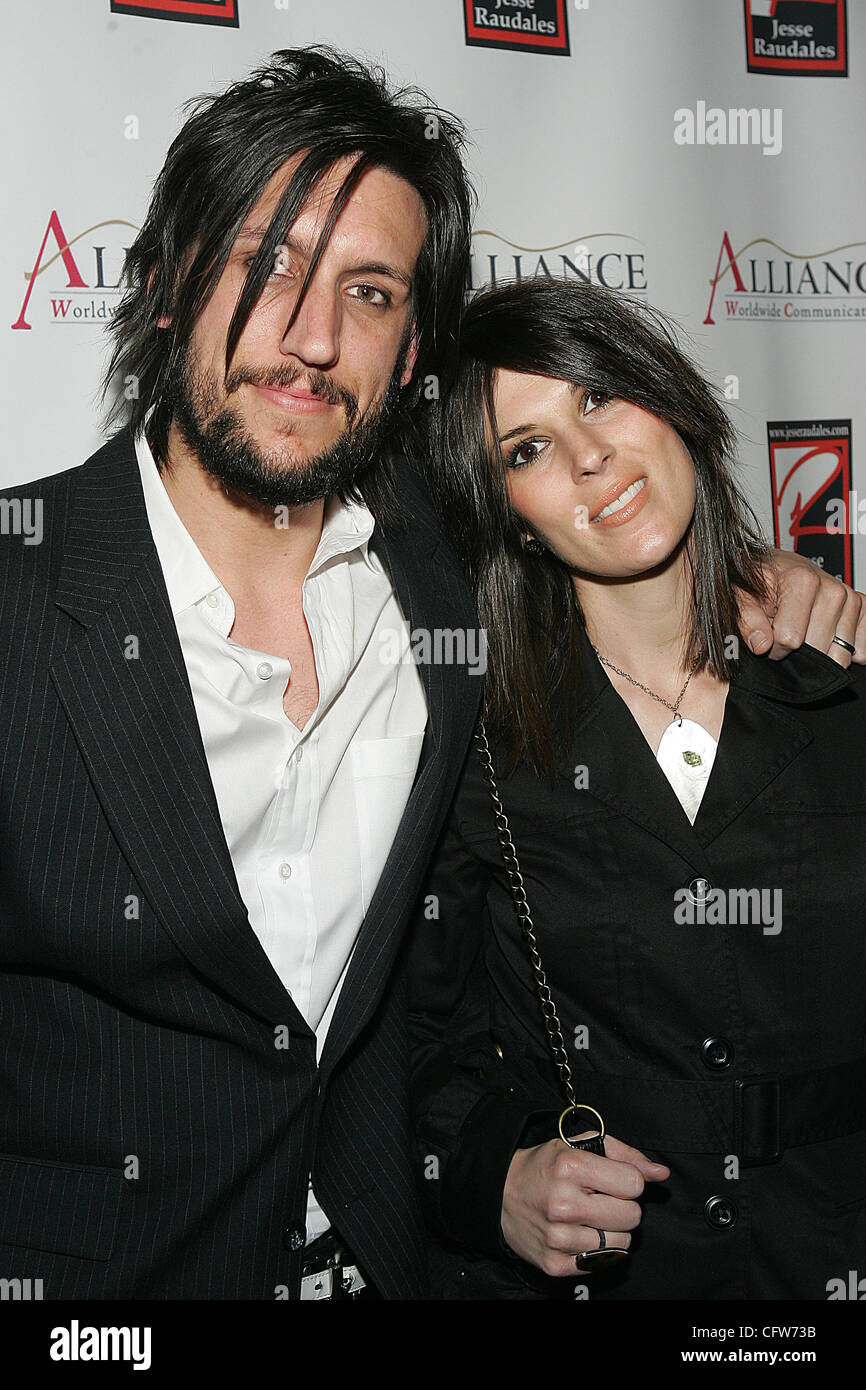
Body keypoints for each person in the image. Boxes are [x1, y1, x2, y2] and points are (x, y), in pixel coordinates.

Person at [0, 47, 859, 1303]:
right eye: (266, 262)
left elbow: (604, 517)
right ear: (169, 281)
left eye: (369, 290)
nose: (308, 336)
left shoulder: (436, 573)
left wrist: (764, 575)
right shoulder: (21, 595)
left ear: (409, 359)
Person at [407, 276, 866, 1300]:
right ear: (510, 518)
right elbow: (414, 1046)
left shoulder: (841, 680)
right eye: (523, 450)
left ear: (664, 397)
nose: (586, 457)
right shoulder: (473, 747)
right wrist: (495, 1179)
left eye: (595, 395)